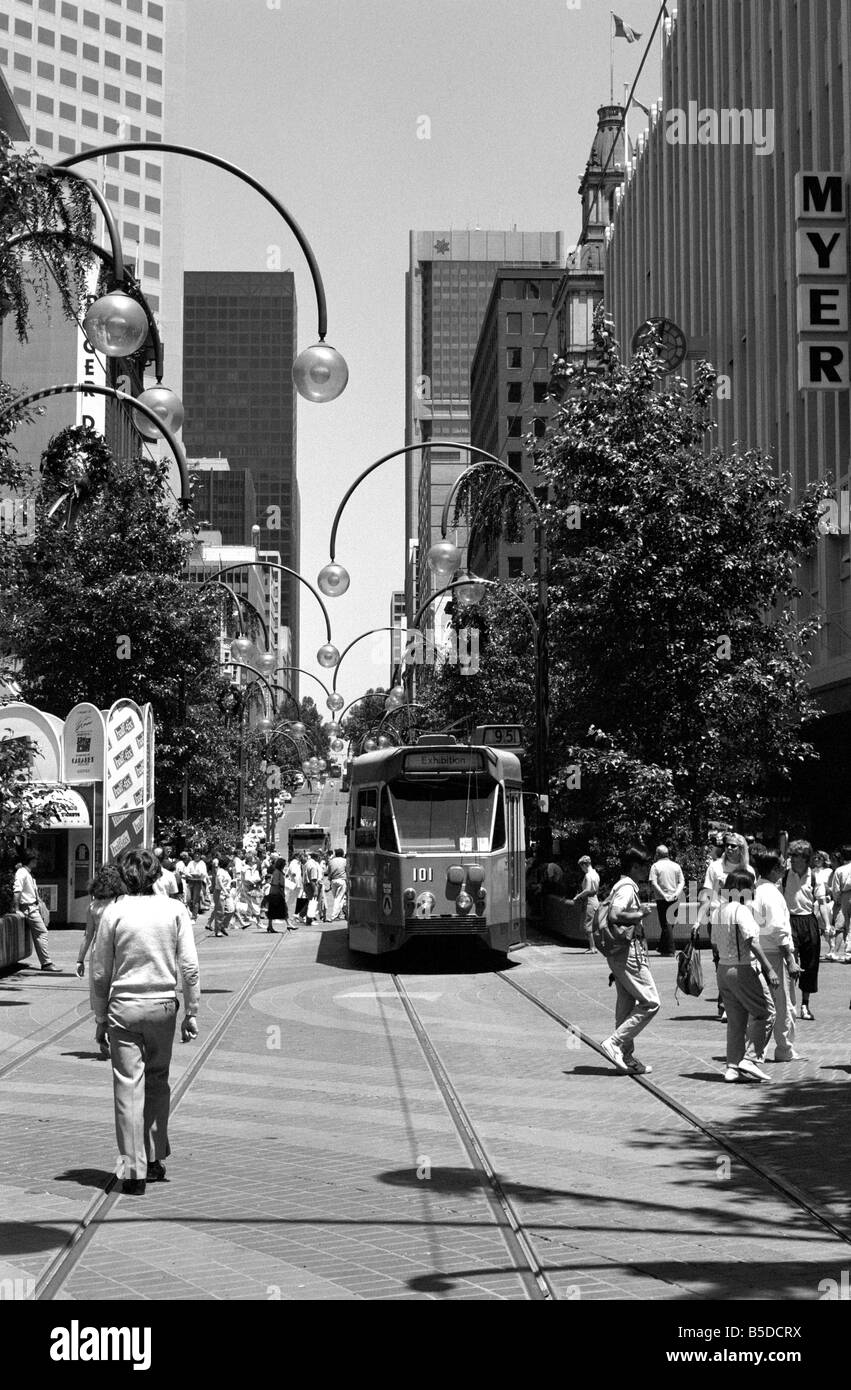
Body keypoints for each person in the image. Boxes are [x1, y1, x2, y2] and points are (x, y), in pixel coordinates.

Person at [90, 848, 200, 1195]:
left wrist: (99, 1016)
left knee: (127, 1086)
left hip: (124, 1007)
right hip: (163, 1007)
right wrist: (192, 1011)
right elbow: (190, 966)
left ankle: (134, 1171)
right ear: (156, 875)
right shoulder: (175, 909)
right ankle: (153, 1158)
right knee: (157, 1080)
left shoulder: (114, 912)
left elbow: (99, 971)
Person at [712, 869, 779, 1083]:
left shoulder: (717, 910)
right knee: (766, 1013)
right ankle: (751, 1059)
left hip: (723, 969)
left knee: (736, 1020)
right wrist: (769, 968)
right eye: (751, 887)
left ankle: (732, 1066)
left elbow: (714, 941)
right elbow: (752, 940)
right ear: (740, 889)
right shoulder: (740, 910)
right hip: (742, 968)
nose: (754, 891)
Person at [599, 846, 660, 1076]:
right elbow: (615, 915)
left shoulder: (619, 886)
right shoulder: (626, 888)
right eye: (644, 866)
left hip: (619, 954)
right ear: (634, 867)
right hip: (628, 954)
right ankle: (614, 1043)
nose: (647, 871)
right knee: (651, 1002)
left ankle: (625, 1055)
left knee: (625, 1007)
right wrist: (639, 915)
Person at [698, 833, 756, 1022]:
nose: (729, 849)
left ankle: (740, 1001)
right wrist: (698, 920)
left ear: (741, 848)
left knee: (742, 960)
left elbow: (752, 897)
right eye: (727, 845)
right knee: (721, 962)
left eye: (733, 846)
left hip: (741, 918)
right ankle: (724, 1005)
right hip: (719, 918)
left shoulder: (748, 869)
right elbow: (706, 895)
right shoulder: (715, 867)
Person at [751, 852, 802, 1061]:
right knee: (783, 1004)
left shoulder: (755, 890)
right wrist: (790, 959)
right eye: (782, 866)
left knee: (764, 1003)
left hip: (759, 952)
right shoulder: (771, 894)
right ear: (773, 870)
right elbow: (778, 929)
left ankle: (763, 1047)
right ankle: (784, 1048)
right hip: (774, 953)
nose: (785, 868)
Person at [782, 840, 830, 1020]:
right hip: (789, 920)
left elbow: (823, 903)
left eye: (795, 856)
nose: (792, 859)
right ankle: (790, 1004)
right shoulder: (785, 876)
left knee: (810, 965)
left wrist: (827, 924)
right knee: (790, 964)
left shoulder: (815, 877)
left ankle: (805, 1004)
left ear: (805, 858)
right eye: (791, 855)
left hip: (808, 921)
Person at [13, 848, 60, 973]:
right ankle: (46, 963)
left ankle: (46, 962)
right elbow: (17, 891)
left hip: (32, 907)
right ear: (31, 860)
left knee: (40, 933)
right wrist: (17, 909)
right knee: (42, 933)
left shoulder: (27, 873)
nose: (37, 862)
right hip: (29, 908)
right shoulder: (22, 873)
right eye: (35, 859)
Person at [649, 845, 685, 957]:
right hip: (674, 898)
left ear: (657, 854)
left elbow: (654, 883)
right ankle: (663, 947)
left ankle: (670, 949)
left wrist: (663, 895)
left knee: (665, 924)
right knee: (670, 923)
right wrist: (676, 893)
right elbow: (682, 882)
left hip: (661, 899)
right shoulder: (676, 866)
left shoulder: (655, 866)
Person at [567, 855, 599, 952]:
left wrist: (577, 896)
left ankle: (592, 947)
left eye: (581, 867)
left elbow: (587, 889)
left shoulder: (588, 875)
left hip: (589, 901)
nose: (582, 869)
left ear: (584, 865)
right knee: (592, 924)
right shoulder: (596, 874)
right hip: (595, 900)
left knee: (587, 925)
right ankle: (593, 946)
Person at [830, 845, 851, 962]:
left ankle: (849, 952)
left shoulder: (840, 870)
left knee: (848, 924)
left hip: (846, 895)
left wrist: (837, 900)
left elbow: (836, 889)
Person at [211, 855, 235, 938]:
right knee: (220, 912)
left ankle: (222, 926)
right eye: (228, 863)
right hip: (220, 892)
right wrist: (225, 891)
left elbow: (227, 881)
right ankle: (217, 930)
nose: (230, 864)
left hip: (227, 892)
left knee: (231, 910)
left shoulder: (226, 871)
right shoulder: (220, 871)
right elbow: (220, 883)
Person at [183, 849, 208, 921]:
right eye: (195, 854)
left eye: (198, 854)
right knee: (188, 899)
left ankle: (194, 916)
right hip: (191, 881)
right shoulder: (191, 863)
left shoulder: (202, 863)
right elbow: (186, 871)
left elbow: (203, 873)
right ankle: (189, 913)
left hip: (198, 882)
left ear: (200, 856)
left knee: (195, 900)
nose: (196, 856)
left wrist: (199, 875)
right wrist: (189, 875)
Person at [266, 857, 288, 933]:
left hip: (276, 892)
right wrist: (281, 892)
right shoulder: (277, 872)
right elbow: (275, 884)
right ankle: (289, 924)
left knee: (273, 910)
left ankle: (270, 926)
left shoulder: (279, 872)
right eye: (284, 864)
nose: (285, 865)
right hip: (276, 893)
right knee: (283, 909)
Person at [326, 848, 348, 922]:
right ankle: (333, 916)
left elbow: (328, 872)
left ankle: (339, 914)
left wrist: (329, 883)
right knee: (339, 899)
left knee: (337, 898)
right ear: (342, 854)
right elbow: (347, 870)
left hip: (333, 881)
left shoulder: (331, 861)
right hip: (342, 880)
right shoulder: (345, 861)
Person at [303, 851, 321, 921]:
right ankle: (309, 920)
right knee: (312, 903)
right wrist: (315, 890)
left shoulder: (307, 863)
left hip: (306, 885)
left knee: (310, 902)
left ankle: (306, 918)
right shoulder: (313, 865)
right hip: (311, 886)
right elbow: (313, 879)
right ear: (317, 857)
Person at [285, 852, 303, 922]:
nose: (301, 857)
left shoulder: (298, 863)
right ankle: (295, 914)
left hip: (297, 885)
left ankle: (296, 914)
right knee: (295, 899)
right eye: (300, 856)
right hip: (295, 885)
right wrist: (296, 884)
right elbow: (293, 873)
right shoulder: (294, 863)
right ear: (297, 856)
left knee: (293, 899)